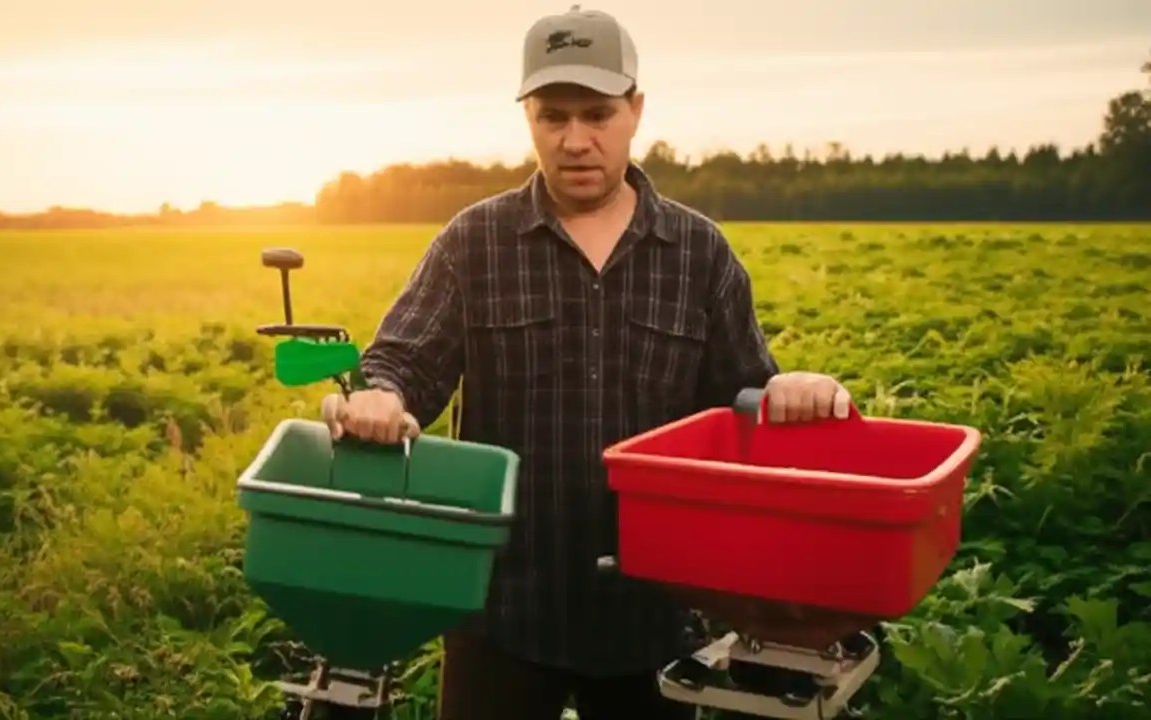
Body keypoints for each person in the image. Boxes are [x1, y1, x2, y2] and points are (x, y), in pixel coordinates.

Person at [319, 5, 853, 719]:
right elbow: (403, 363)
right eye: (552, 116)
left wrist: (789, 391)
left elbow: (743, 398)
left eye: (597, 114)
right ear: (528, 118)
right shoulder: (474, 243)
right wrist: (380, 397)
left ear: (635, 111)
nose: (576, 140)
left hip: (654, 617)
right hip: (501, 612)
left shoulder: (698, 254)